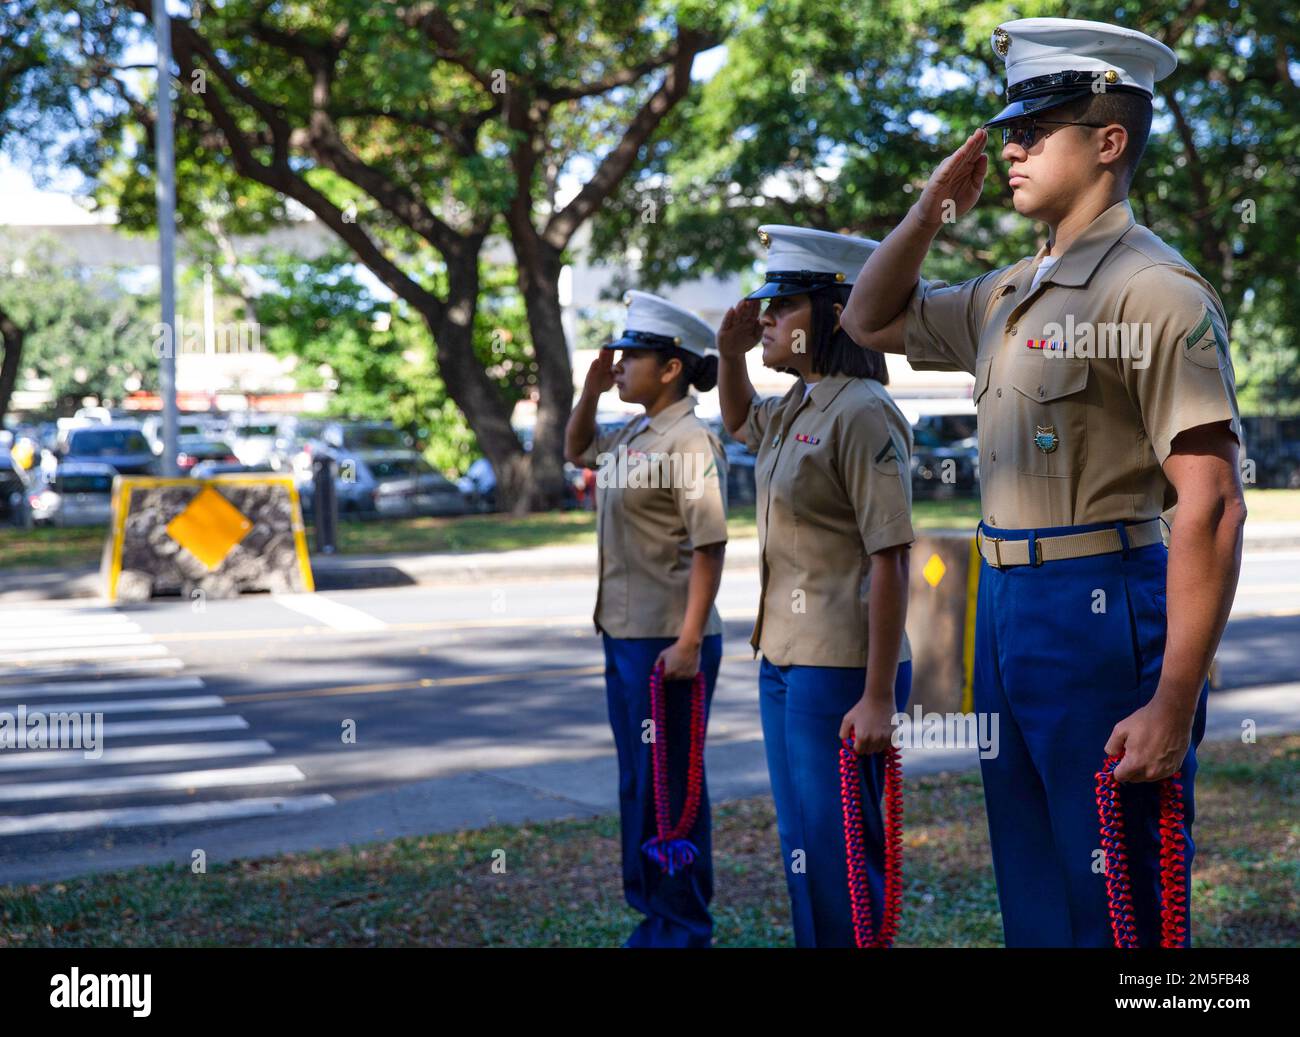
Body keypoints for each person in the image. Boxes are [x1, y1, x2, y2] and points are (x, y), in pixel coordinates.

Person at [841, 17, 1245, 947]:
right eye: (1009, 127)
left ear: (1109, 142)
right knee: (1032, 879)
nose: (1009, 147)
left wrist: (1174, 701)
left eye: (1036, 128)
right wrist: (932, 208)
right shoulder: (1007, 291)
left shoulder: (1158, 290)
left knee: (1120, 891)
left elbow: (1213, 506)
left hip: (1100, 610)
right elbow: (867, 319)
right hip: (1005, 605)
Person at [716, 226, 914, 947]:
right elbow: (737, 420)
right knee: (803, 845)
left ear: (832, 313)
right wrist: (728, 355)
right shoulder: (802, 402)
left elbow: (891, 557)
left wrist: (880, 694)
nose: (765, 317)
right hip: (783, 660)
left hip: (841, 667)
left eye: (782, 304)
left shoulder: (861, 409)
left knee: (837, 856)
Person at [564, 289, 729, 948]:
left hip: (668, 642)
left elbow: (710, 544)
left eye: (632, 355)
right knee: (641, 782)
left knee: (672, 790)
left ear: (671, 367)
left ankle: (683, 926)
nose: (620, 363)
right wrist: (589, 388)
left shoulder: (689, 439)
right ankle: (654, 918)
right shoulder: (637, 431)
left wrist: (689, 640)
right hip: (626, 636)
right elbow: (577, 449)